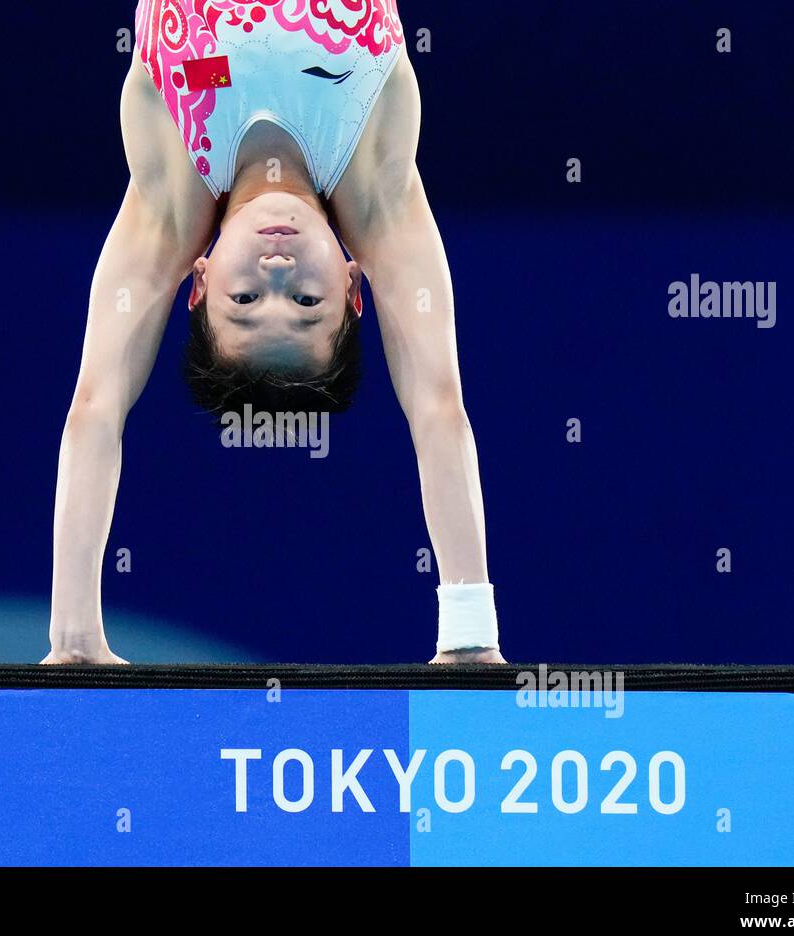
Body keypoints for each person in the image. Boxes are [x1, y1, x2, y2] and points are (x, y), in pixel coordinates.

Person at [44, 0, 505, 665]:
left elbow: (95, 407)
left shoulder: (170, 199)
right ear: (354, 289)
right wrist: (469, 634)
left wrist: (75, 639)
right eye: (307, 301)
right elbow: (438, 407)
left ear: (196, 285)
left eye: (246, 299)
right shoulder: (377, 188)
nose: (279, 270)